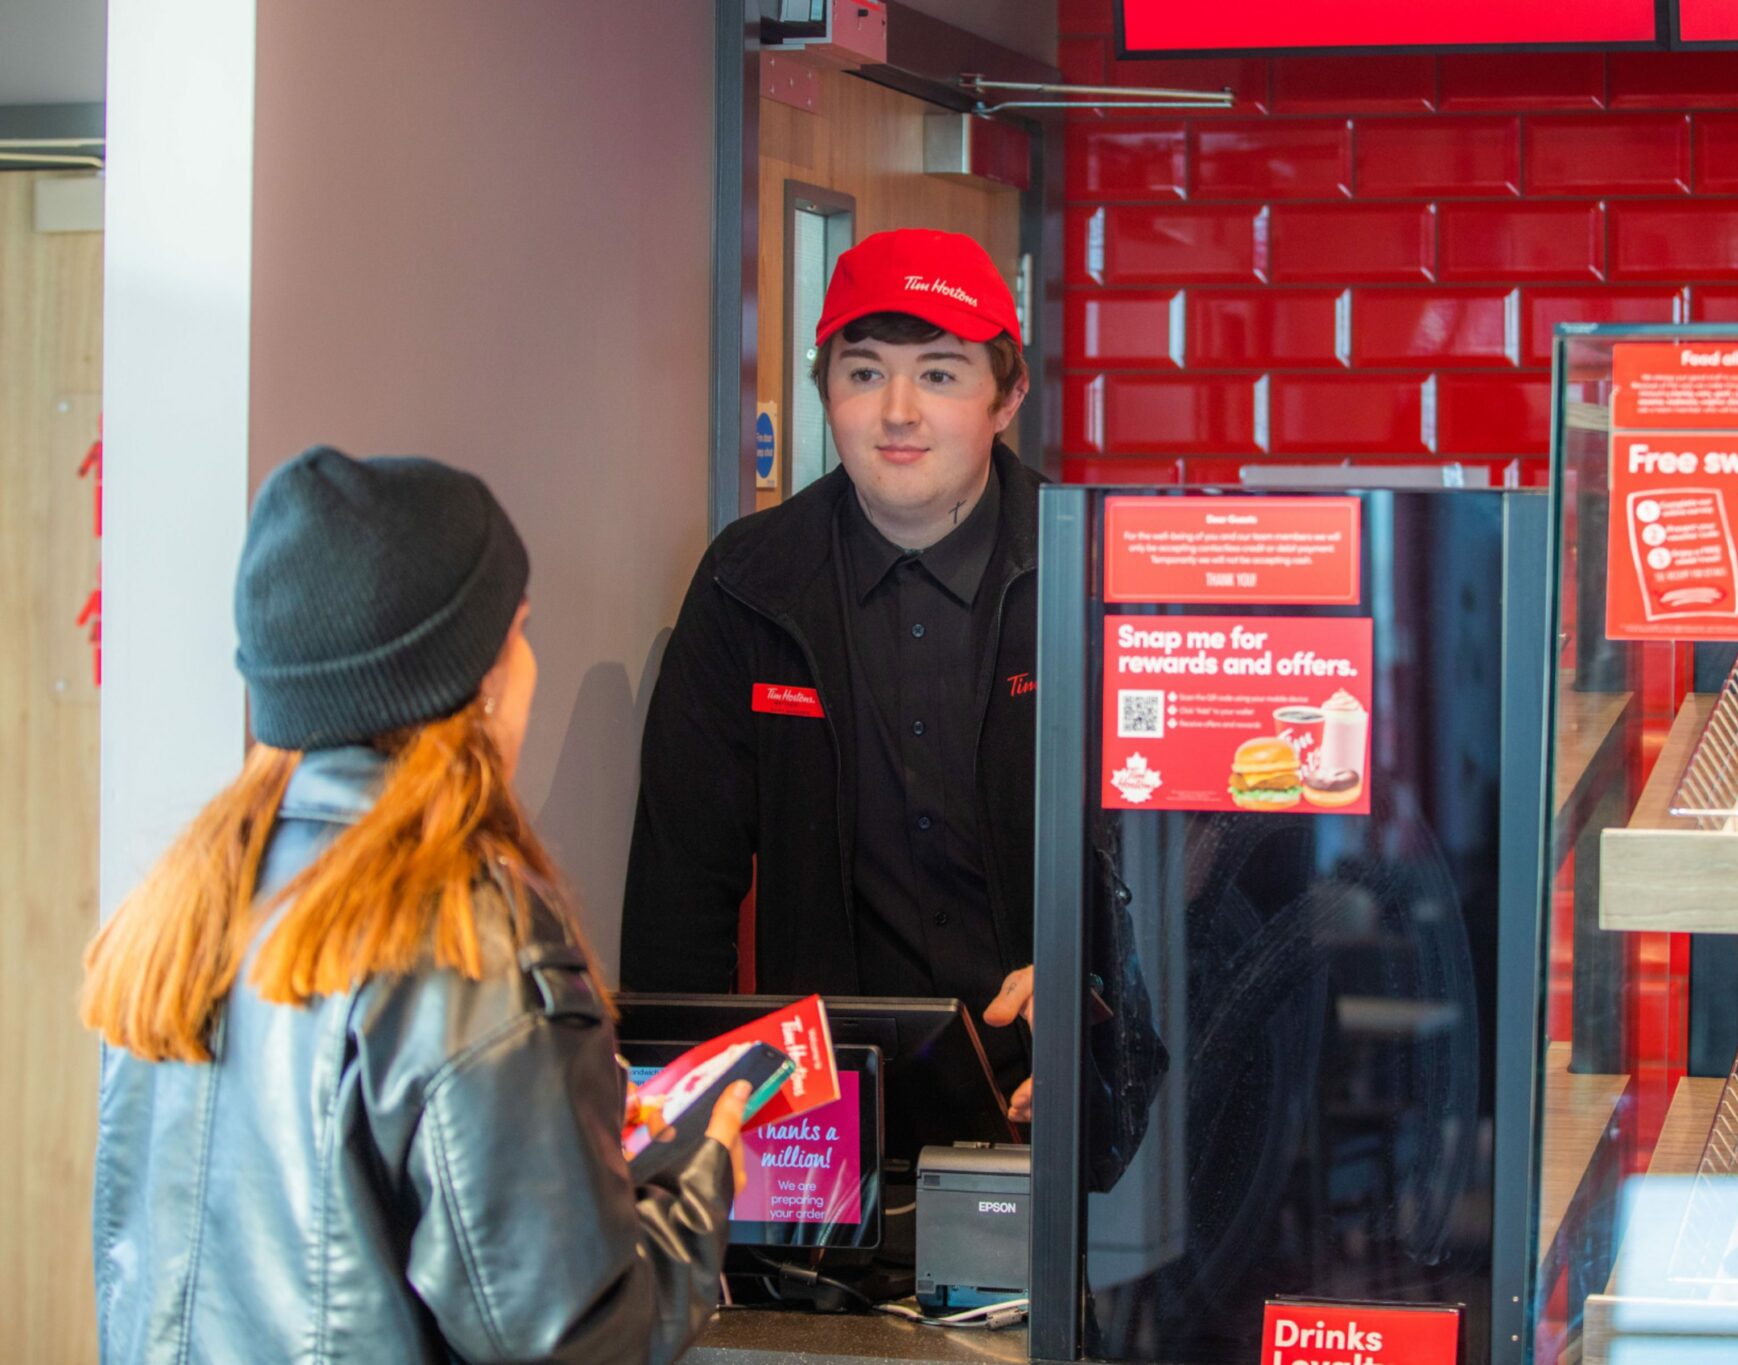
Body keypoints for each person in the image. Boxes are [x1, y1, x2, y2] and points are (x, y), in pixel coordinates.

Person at [82, 447, 747, 1365]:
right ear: (471, 678)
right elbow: (572, 1342)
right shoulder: (471, 939)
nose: (530, 662)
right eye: (517, 630)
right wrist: (698, 1189)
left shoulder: (180, 913)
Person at [621, 228, 1046, 1121]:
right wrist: (685, 1140)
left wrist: (1107, 1028)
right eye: (863, 372)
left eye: (939, 373)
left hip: (1060, 1108)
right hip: (825, 1128)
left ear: (1007, 396)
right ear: (825, 391)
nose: (898, 410)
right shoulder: (749, 585)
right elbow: (680, 897)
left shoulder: (1093, 575)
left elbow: (1190, 868)